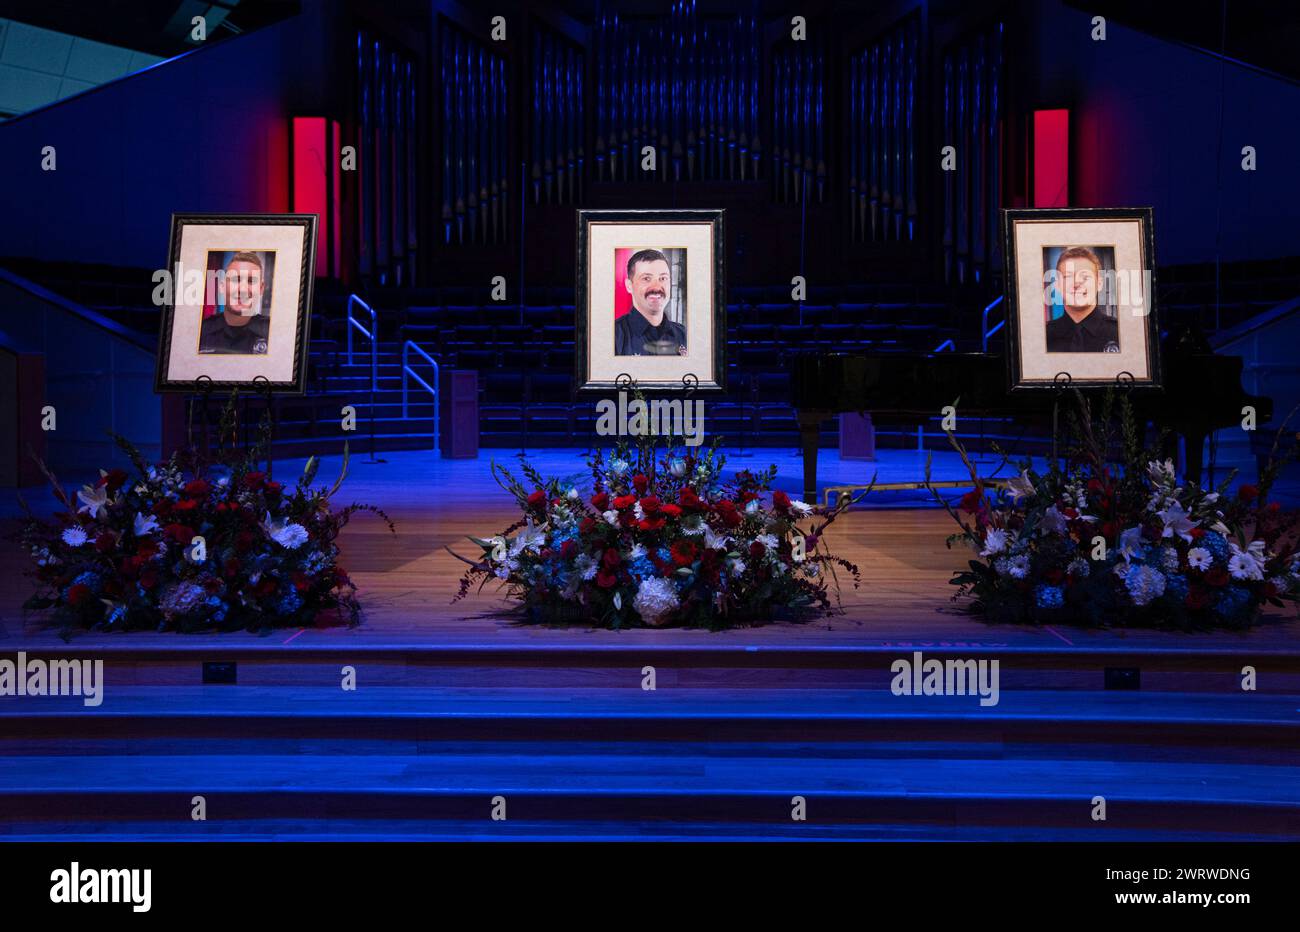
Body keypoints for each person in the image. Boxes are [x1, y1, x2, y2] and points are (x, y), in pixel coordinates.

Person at [1044, 246, 1119, 353]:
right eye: (1068, 277)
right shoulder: (1043, 336)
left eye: (1085, 277)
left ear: (1099, 283)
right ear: (1057, 285)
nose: (1076, 283)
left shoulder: (1119, 333)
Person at [614, 248, 687, 356]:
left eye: (663, 278)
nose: (657, 287)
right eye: (646, 278)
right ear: (629, 286)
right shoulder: (613, 336)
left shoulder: (684, 334)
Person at [199, 251, 270, 354]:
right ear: (222, 286)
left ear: (261, 288)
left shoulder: (274, 332)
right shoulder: (200, 331)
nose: (243, 289)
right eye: (235, 279)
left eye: (251, 281)